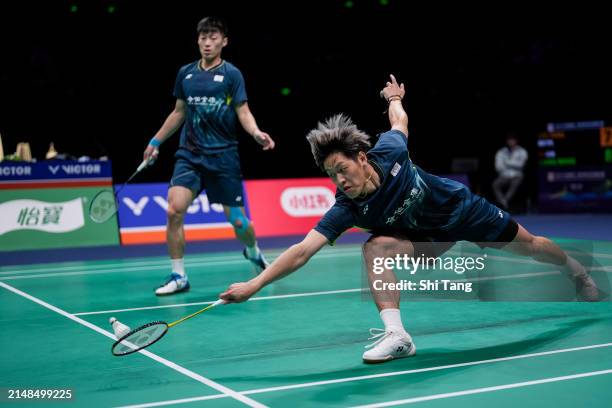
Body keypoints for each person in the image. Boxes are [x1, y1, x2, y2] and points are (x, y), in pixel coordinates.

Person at [219, 74, 599, 364]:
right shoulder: (347, 208)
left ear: (362, 158)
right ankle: (398, 335)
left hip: (462, 209)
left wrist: (396, 97)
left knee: (530, 246)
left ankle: (576, 270)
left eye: (341, 170)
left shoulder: (390, 151)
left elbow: (399, 122)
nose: (339, 180)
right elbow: (303, 251)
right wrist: (255, 284)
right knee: (375, 248)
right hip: (425, 237)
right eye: (330, 175)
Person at [144, 17, 275, 296]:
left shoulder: (232, 75)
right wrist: (155, 141)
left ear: (224, 41)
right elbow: (179, 112)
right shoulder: (186, 74)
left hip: (223, 158)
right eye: (203, 37)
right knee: (173, 210)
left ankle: (252, 251)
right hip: (189, 155)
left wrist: (255, 132)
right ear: (197, 40)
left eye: (213, 37)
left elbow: (243, 110)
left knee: (239, 223)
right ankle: (178, 275)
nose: (207, 42)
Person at [492, 133, 528, 210]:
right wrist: (504, 169)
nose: (511, 142)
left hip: (517, 175)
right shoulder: (501, 152)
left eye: (512, 140)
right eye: (509, 140)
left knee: (515, 183)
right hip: (504, 175)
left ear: (516, 141)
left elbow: (520, 165)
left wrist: (507, 163)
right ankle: (503, 202)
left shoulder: (522, 151)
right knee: (495, 184)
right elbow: (498, 166)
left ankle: (504, 202)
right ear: (507, 141)